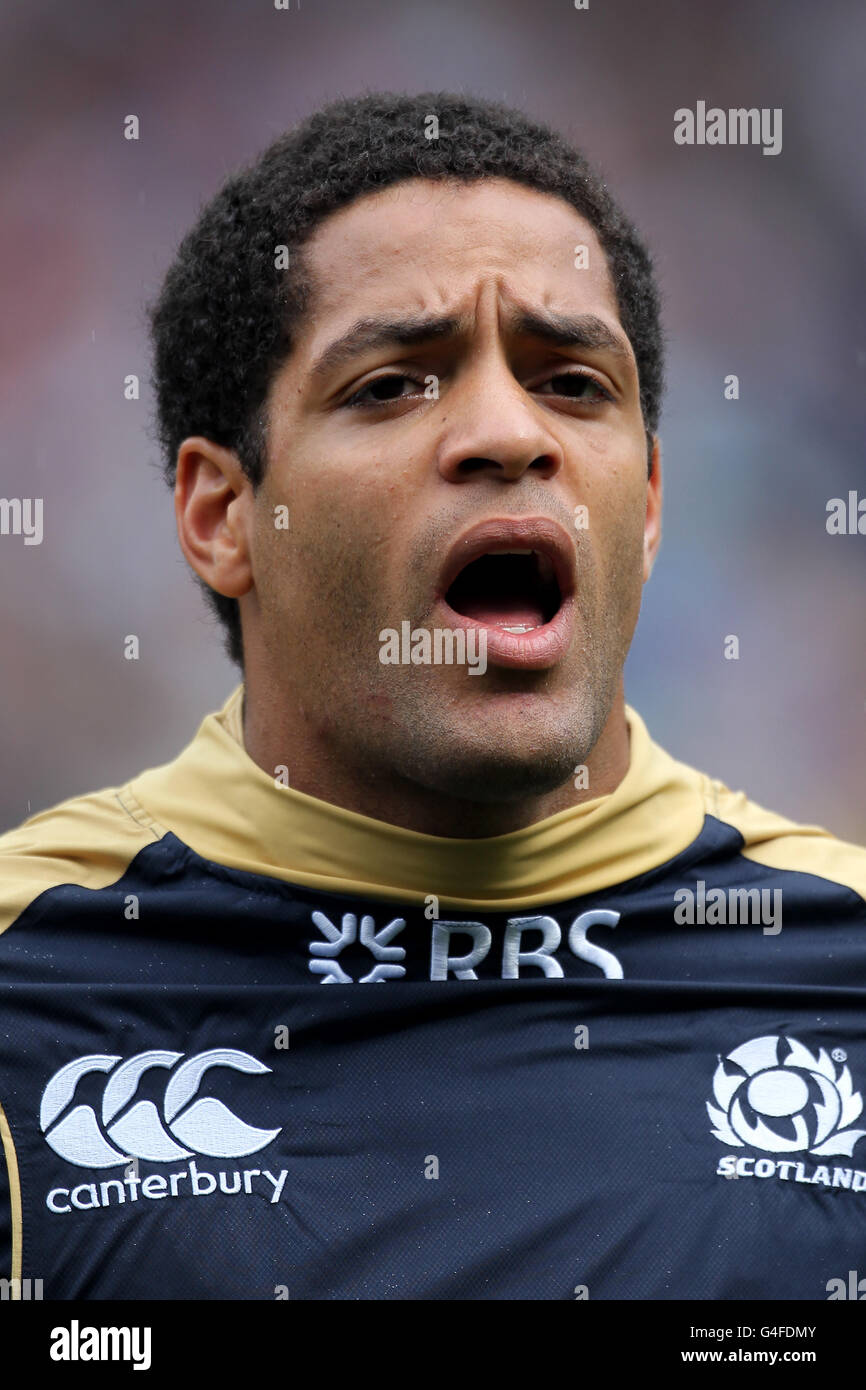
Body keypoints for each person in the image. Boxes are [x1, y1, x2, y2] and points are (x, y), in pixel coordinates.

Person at [1, 91, 864, 1301]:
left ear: (653, 501)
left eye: (572, 382)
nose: (508, 433)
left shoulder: (839, 955)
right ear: (222, 515)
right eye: (394, 384)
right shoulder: (33, 974)